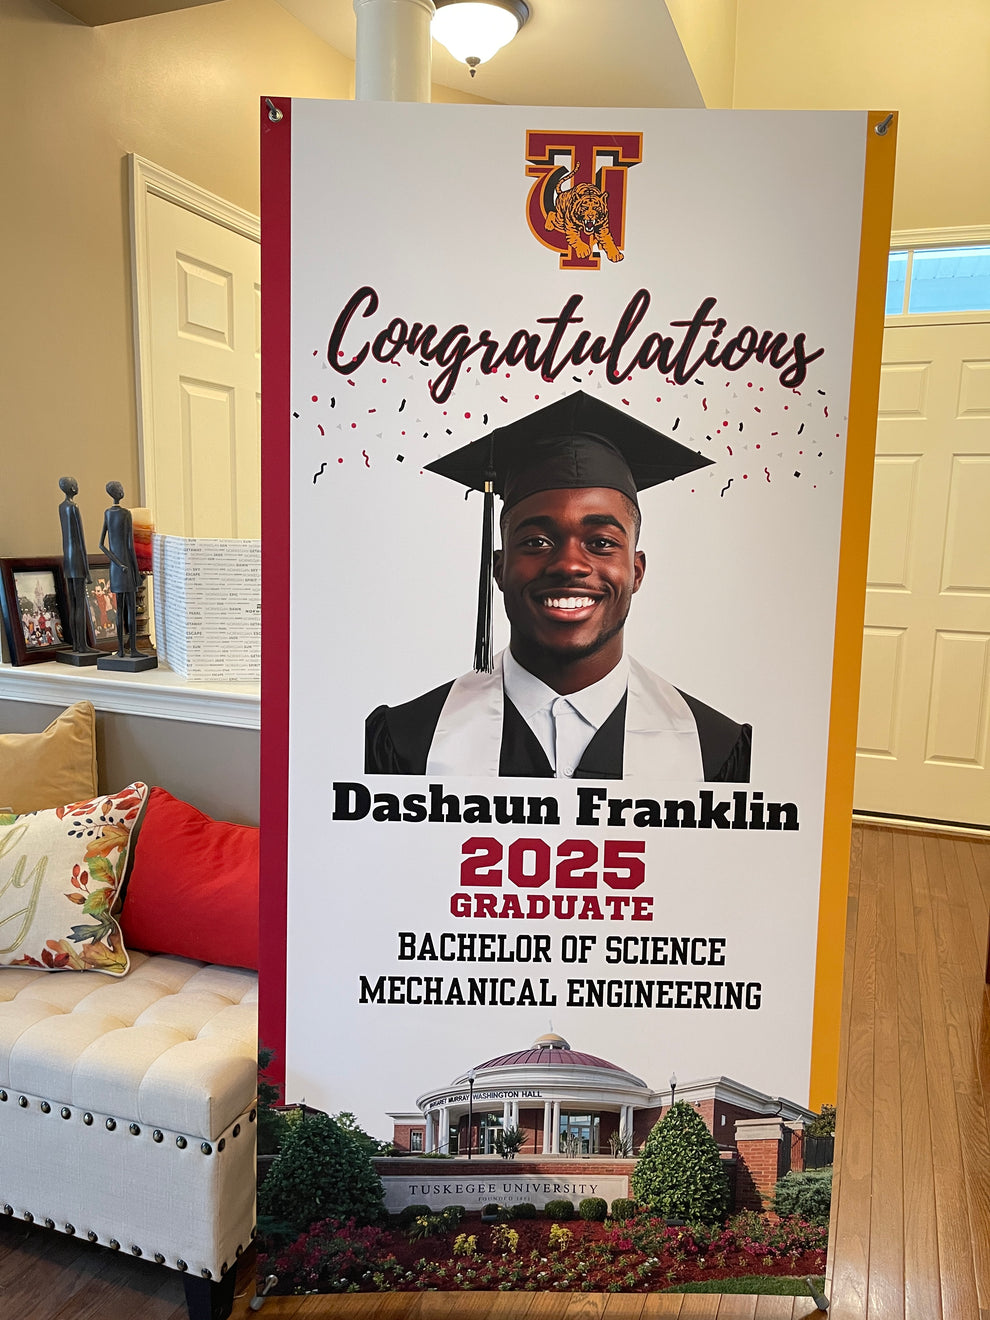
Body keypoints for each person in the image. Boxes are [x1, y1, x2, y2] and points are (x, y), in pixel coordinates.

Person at [365, 391, 751, 781]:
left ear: (636, 571)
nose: (569, 564)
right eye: (537, 542)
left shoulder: (713, 752)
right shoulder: (407, 744)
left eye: (601, 543)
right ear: (498, 567)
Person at [99, 481, 142, 658]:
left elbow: (102, 545)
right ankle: (132, 649)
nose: (122, 491)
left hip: (115, 569)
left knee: (119, 611)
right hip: (127, 567)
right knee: (131, 610)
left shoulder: (108, 513)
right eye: (120, 489)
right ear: (117, 492)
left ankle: (121, 651)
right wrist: (135, 571)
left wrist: (116, 563)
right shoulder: (126, 514)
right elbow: (130, 547)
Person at [57, 476, 99, 659]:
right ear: (72, 487)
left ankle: (76, 644)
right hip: (78, 561)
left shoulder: (61, 507)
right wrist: (87, 570)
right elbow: (80, 540)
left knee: (73, 604)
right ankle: (82, 646)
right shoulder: (74, 507)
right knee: (80, 604)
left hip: (68, 559)